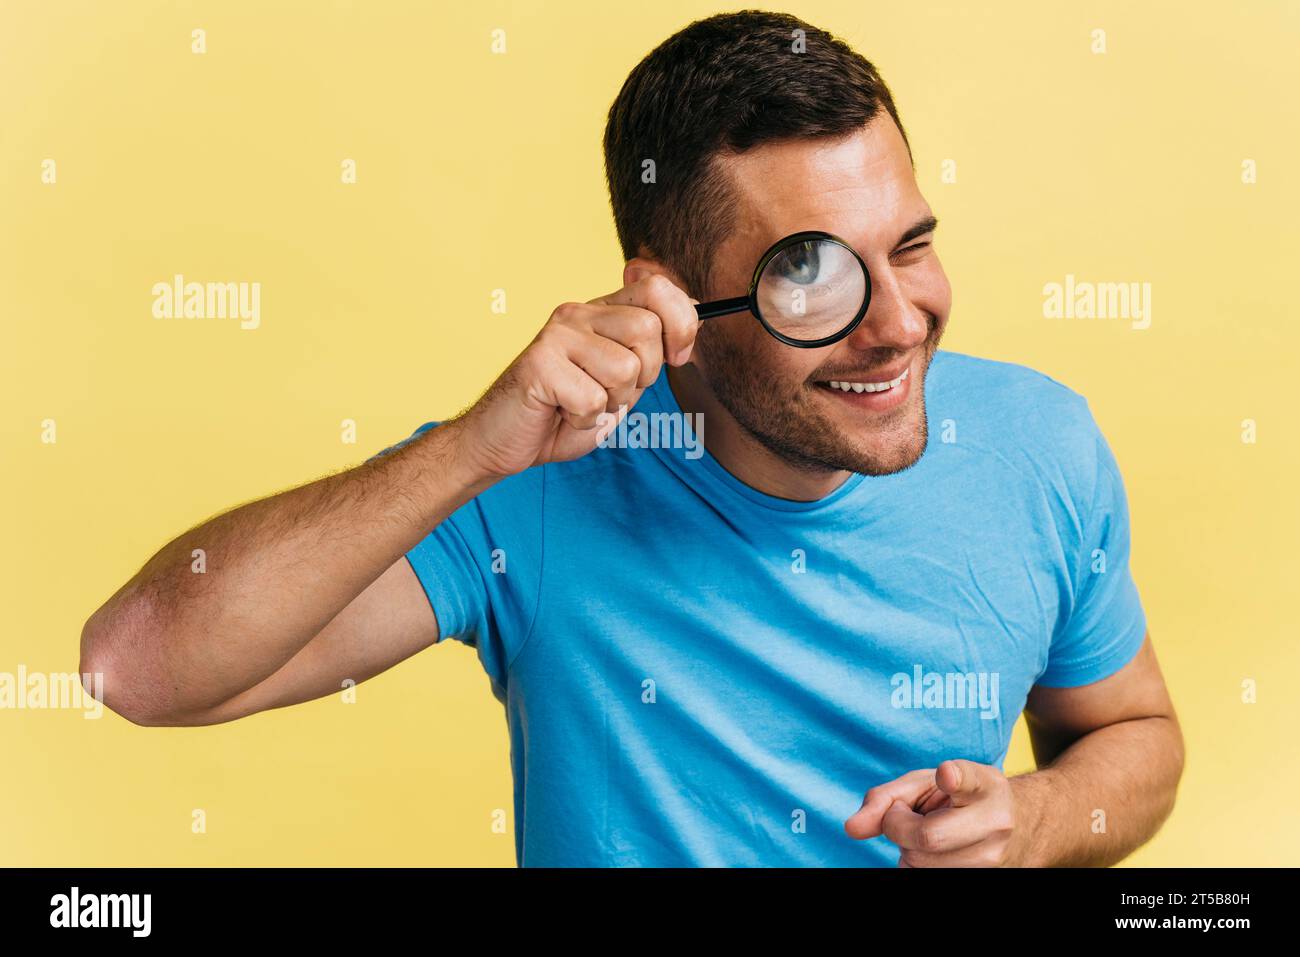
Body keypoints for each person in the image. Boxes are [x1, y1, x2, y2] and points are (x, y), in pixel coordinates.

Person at [80, 10, 1183, 867]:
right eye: (810, 273)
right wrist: (470, 451)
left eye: (912, 245)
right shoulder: (531, 483)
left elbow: (1136, 734)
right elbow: (133, 670)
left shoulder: (1040, 442)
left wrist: (1031, 820)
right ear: (670, 303)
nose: (900, 325)